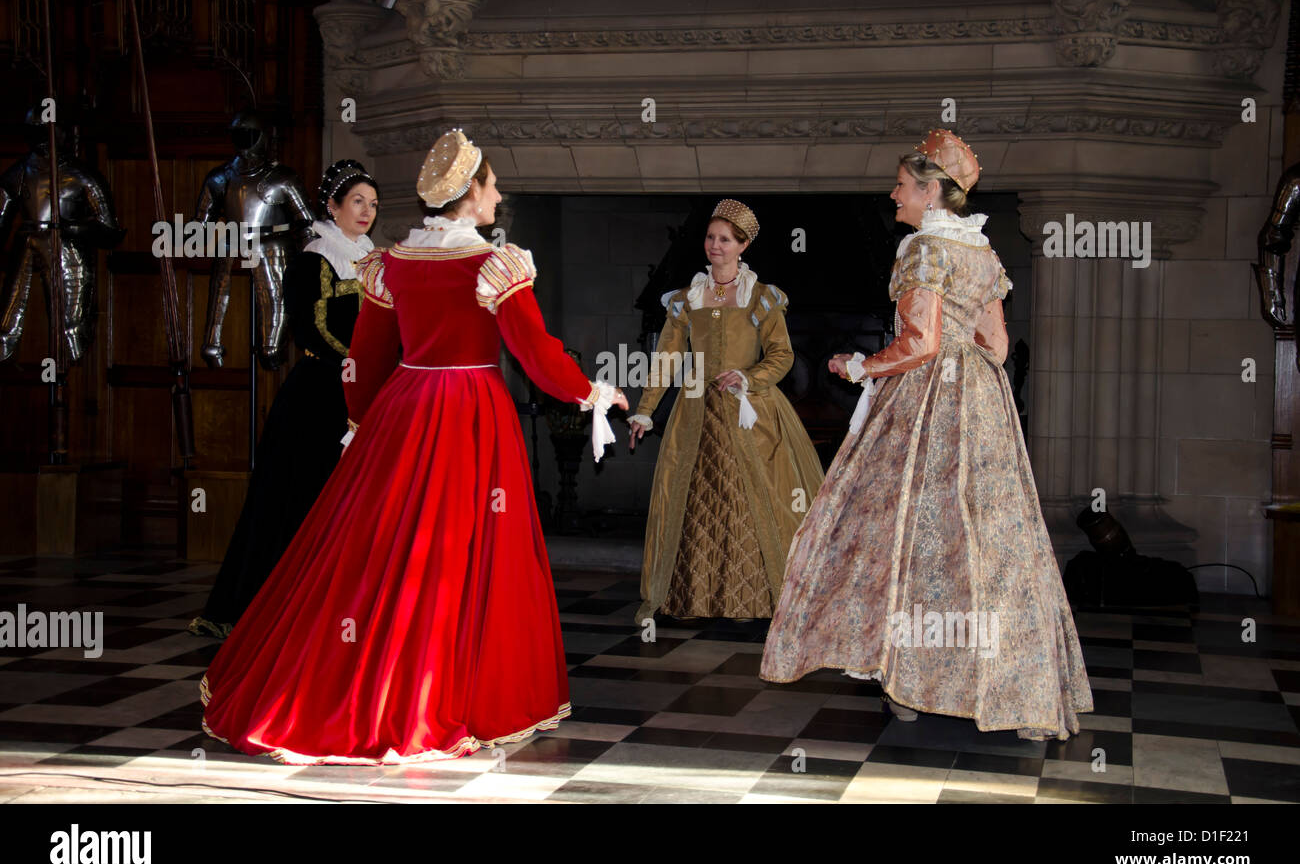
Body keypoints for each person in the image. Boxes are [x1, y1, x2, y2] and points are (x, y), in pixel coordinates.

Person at [200, 130, 625, 763]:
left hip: (402, 410)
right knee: (461, 557)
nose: (499, 194)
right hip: (471, 414)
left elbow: (366, 362)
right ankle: (443, 693)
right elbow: (536, 356)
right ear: (471, 195)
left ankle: (356, 683)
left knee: (382, 558)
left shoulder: (393, 261)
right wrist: (592, 392)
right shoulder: (495, 265)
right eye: (492, 184)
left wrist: (363, 427)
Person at [759, 130, 1093, 741]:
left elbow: (921, 343)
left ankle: (912, 681)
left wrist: (862, 365)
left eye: (903, 186)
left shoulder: (922, 248)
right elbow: (994, 344)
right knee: (995, 543)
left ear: (932, 191)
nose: (894, 195)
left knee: (912, 535)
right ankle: (1021, 691)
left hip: (930, 402)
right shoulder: (984, 252)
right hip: (985, 404)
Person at [188, 159, 379, 639]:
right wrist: (361, 362)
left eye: (373, 204)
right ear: (332, 206)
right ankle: (271, 604)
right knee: (295, 500)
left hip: (362, 389)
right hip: (320, 394)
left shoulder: (371, 255)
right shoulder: (315, 257)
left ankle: (340, 601)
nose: (367, 211)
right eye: (357, 201)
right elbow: (312, 327)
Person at [628, 200, 824, 624]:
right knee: (699, 501)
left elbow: (782, 355)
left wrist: (748, 377)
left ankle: (753, 599)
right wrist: (645, 412)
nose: (714, 246)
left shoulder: (762, 298)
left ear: (743, 245)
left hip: (749, 413)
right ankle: (698, 599)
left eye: (724, 239)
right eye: (710, 237)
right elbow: (666, 359)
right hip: (695, 415)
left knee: (751, 500)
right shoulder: (685, 300)